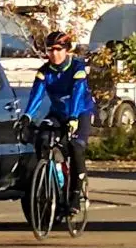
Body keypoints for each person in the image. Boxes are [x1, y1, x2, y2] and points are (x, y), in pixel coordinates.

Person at [16, 31, 96, 214]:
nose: (53, 54)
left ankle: (76, 193)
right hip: (58, 113)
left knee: (76, 146)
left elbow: (77, 94)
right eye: (50, 50)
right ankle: (53, 179)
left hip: (81, 112)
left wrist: (74, 117)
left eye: (58, 50)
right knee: (42, 138)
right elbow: (36, 95)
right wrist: (27, 116)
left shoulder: (77, 68)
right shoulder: (45, 72)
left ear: (67, 50)